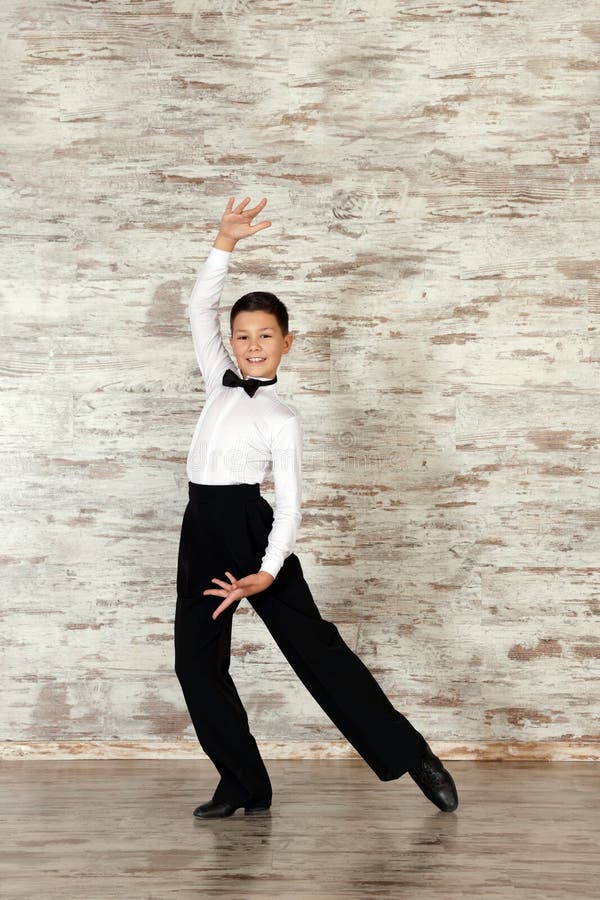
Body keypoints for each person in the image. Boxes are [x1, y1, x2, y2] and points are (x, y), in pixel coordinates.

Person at [174, 195, 459, 819]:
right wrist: (224, 243)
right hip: (201, 529)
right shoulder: (214, 377)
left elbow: (291, 502)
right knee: (196, 666)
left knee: (317, 653)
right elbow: (199, 306)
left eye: (265, 336)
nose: (252, 346)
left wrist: (269, 570)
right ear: (231, 342)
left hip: (254, 531)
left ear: (286, 342)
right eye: (242, 336)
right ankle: (244, 783)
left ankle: (414, 756)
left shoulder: (282, 416)